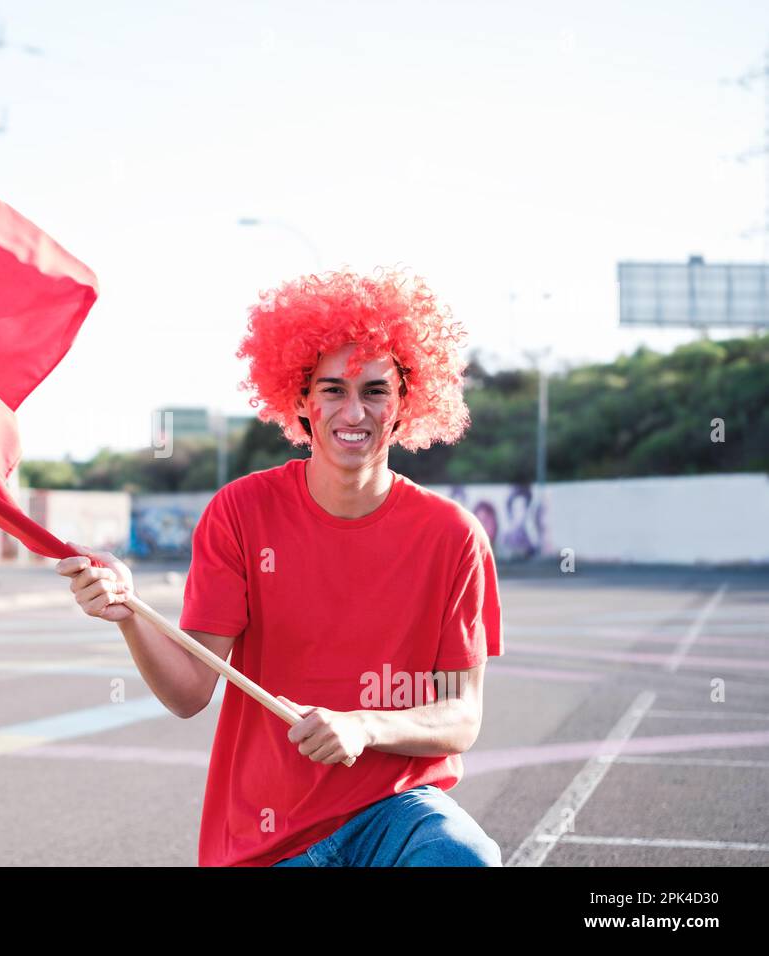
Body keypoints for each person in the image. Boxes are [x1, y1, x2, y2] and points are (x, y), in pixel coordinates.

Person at [56, 268, 504, 867]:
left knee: (465, 858)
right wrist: (128, 615)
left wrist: (364, 727)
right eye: (332, 389)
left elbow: (461, 717)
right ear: (300, 401)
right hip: (265, 835)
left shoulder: (454, 537)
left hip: (395, 811)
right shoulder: (240, 512)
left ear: (404, 403)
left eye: (375, 390)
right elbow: (189, 692)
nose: (355, 411)